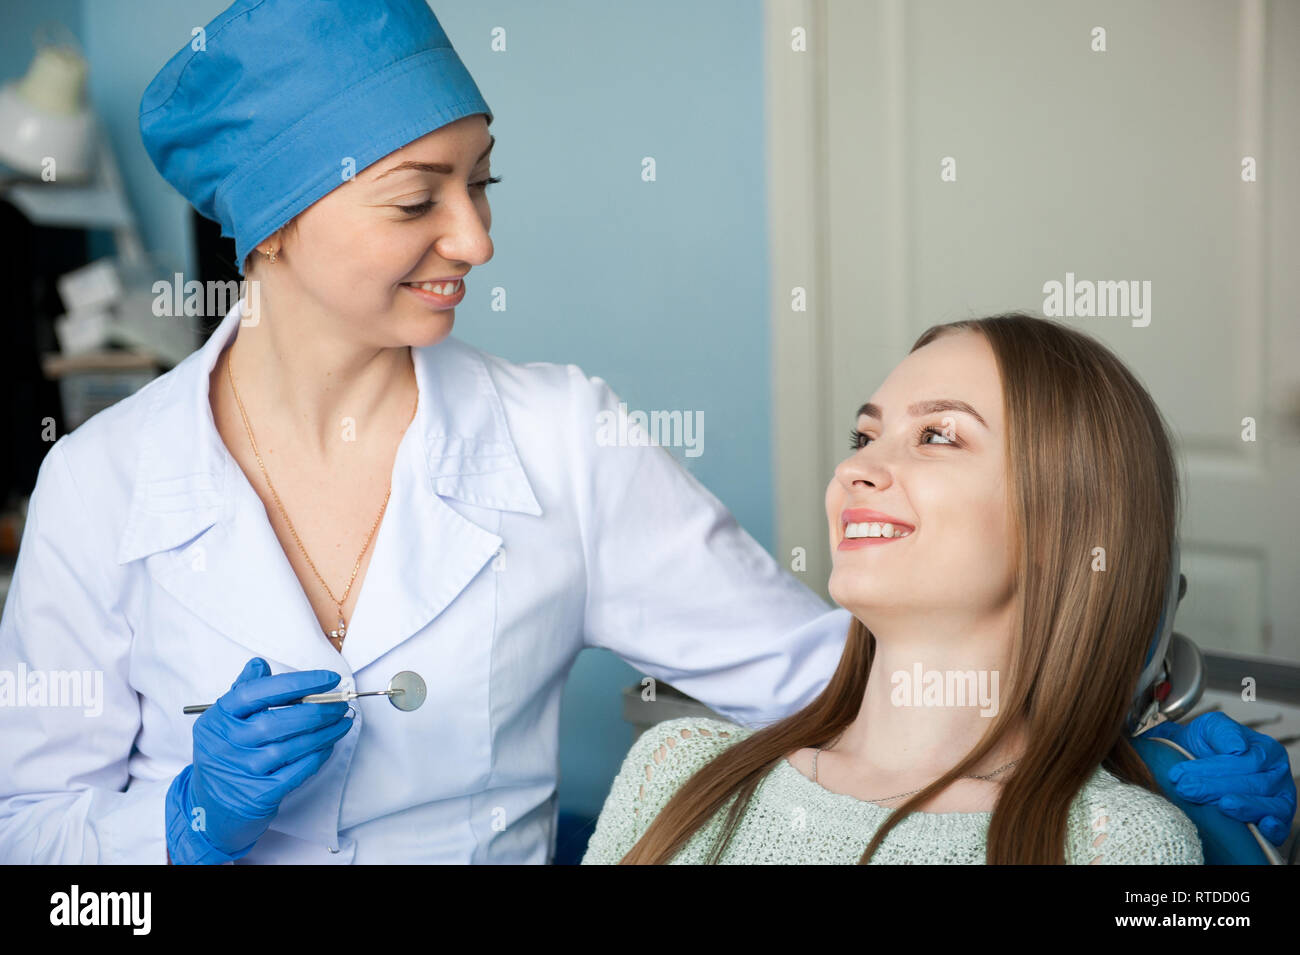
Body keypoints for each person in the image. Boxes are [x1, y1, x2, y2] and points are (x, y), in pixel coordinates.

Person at [0, 1, 1290, 865]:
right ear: (271, 222)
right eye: (418, 198)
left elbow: (816, 671)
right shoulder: (101, 481)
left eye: (482, 180)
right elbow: (38, 854)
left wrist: (1128, 723)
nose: (477, 239)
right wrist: (177, 830)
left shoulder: (557, 435)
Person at [582, 314, 1295, 864]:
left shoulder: (1119, 845)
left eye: (939, 436)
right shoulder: (675, 774)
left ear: (1065, 523)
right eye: (865, 436)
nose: (855, 470)